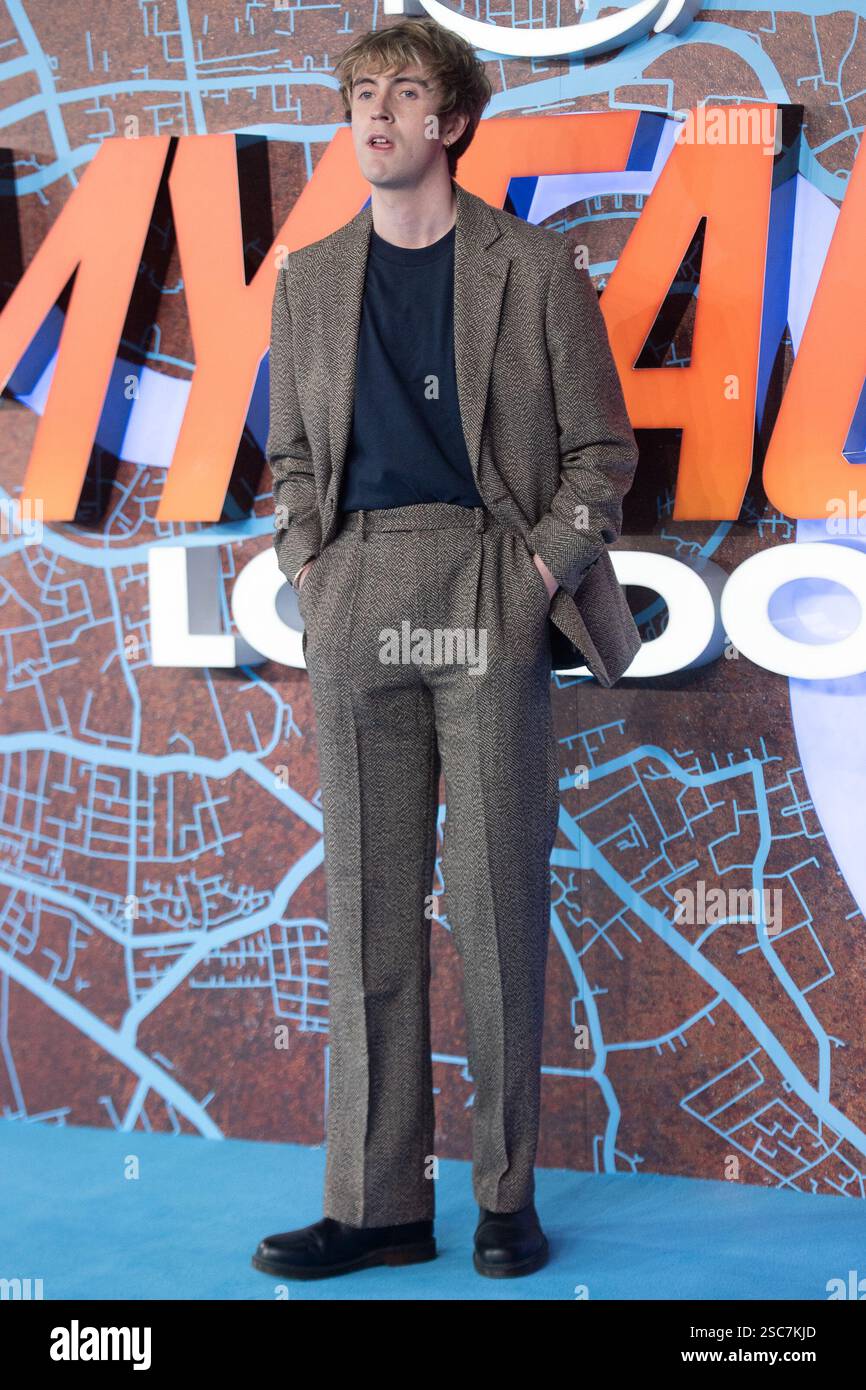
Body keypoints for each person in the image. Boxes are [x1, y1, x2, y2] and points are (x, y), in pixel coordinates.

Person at [253, 16, 641, 1282]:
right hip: (354, 586)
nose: (374, 114)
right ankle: (377, 1207)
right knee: (367, 915)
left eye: (402, 93)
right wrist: (311, 564)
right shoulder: (307, 279)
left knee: (490, 907)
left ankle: (504, 1198)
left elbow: (600, 455)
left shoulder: (531, 270)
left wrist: (532, 574)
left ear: (450, 121)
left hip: (488, 584)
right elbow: (291, 460)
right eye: (359, 93)